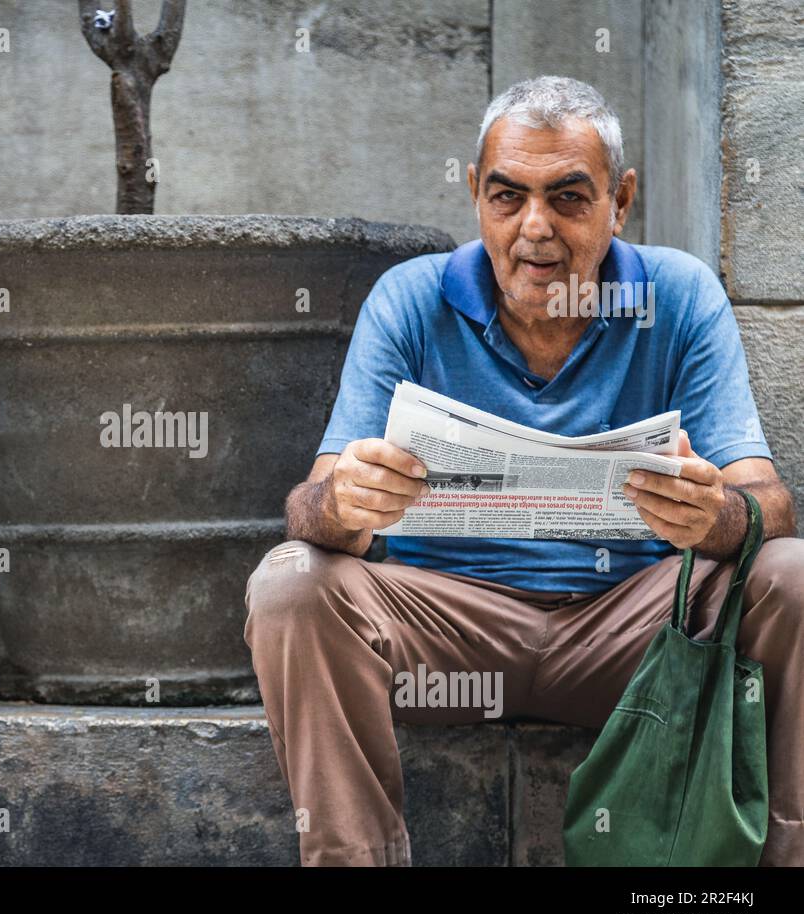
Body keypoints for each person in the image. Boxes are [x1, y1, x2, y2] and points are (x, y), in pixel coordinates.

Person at [244, 76, 803, 867]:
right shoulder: (409, 299)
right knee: (291, 579)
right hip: (446, 635)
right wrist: (345, 501)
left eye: (569, 199)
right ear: (475, 193)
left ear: (621, 201)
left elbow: (768, 504)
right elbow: (309, 509)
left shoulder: (678, 297)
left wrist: (717, 519)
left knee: (792, 572)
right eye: (508, 197)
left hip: (637, 636)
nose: (535, 230)